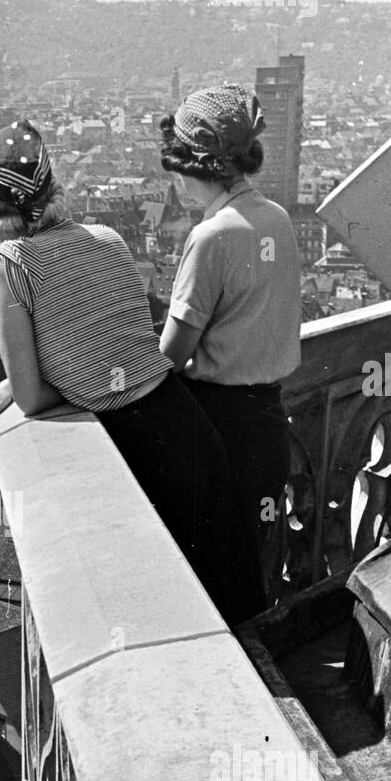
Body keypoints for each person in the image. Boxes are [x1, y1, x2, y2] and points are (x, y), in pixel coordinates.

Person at [0, 118, 233, 617]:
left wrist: (22, 380)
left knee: (164, 616)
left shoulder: (10, 262)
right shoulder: (108, 238)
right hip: (188, 427)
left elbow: (32, 399)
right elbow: (108, 343)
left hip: (134, 454)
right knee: (226, 610)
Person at [158, 84, 301, 624]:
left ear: (196, 165)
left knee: (212, 583)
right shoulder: (277, 219)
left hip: (218, 430)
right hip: (268, 423)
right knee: (251, 573)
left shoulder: (211, 236)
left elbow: (170, 357)